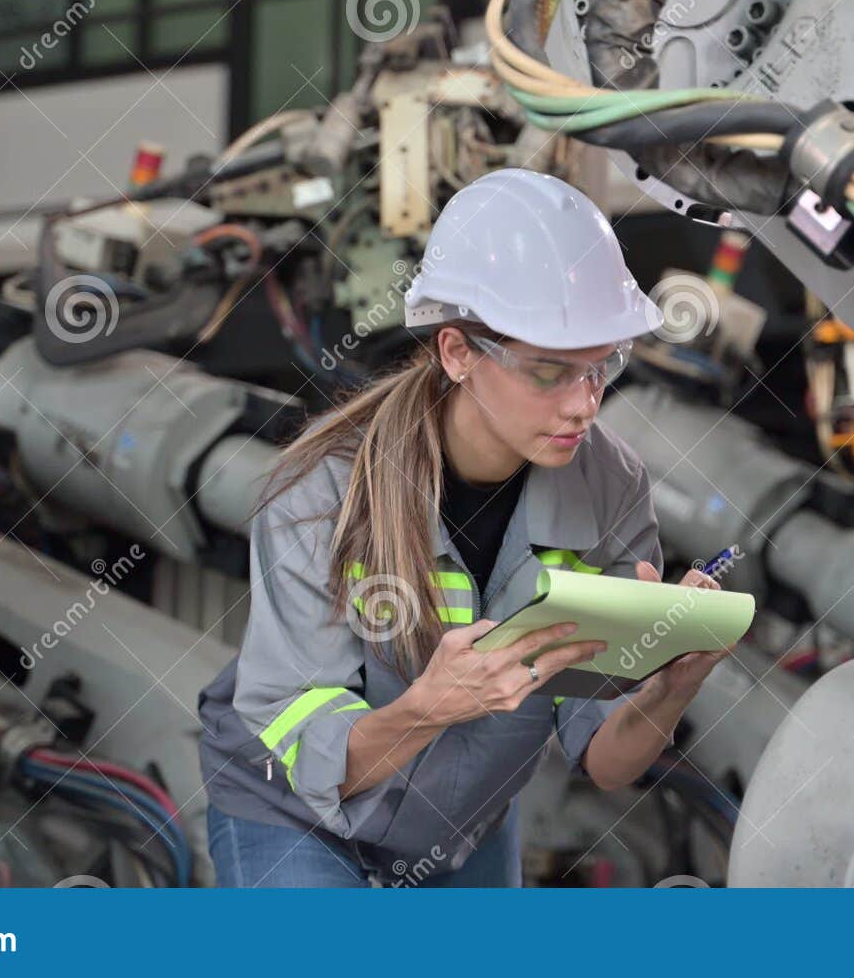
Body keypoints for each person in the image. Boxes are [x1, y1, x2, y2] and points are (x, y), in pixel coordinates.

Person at [197, 168, 733, 888]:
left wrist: (670, 685)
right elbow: (308, 749)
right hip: (294, 813)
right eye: (549, 372)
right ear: (457, 354)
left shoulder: (611, 486)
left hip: (457, 823)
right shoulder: (320, 493)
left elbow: (604, 762)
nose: (584, 405)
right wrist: (426, 708)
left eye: (602, 366)